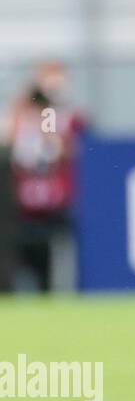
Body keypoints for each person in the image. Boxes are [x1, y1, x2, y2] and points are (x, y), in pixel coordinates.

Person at [4, 61, 84, 292]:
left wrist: (45, 115)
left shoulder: (56, 115)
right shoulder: (22, 114)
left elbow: (53, 146)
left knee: (52, 260)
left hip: (52, 203)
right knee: (18, 258)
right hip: (20, 204)